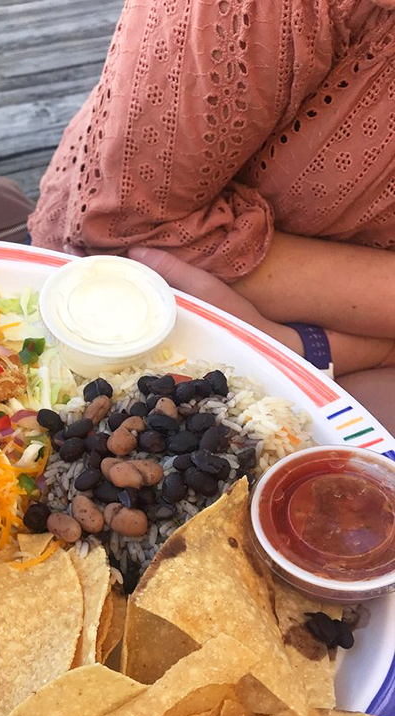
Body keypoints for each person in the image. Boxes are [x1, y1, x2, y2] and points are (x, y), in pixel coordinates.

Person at [28, 0, 395, 429]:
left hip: (337, 352)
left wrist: (322, 348)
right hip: (108, 319)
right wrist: (348, 347)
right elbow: (126, 224)